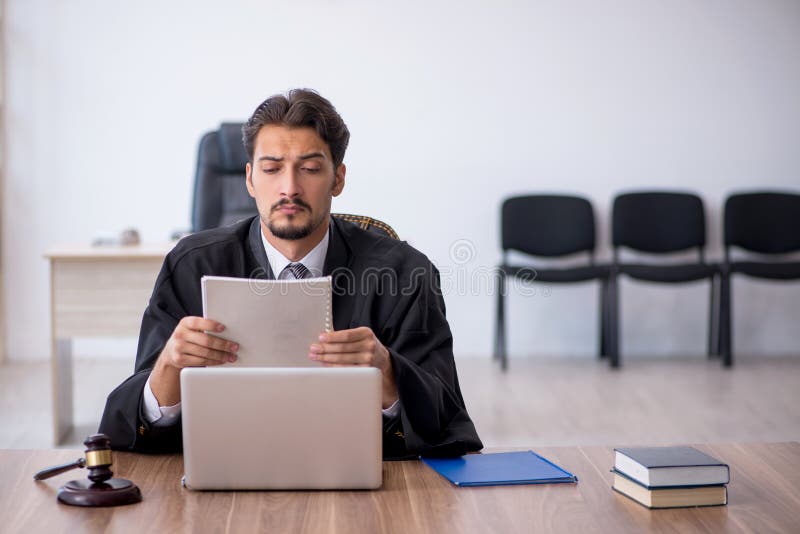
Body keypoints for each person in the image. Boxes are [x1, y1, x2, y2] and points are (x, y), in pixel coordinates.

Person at [99, 89, 483, 459]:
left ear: (338, 178)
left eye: (311, 168)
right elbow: (126, 424)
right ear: (249, 179)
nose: (290, 188)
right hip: (226, 473)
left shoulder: (405, 274)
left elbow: (447, 419)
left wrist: (388, 374)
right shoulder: (191, 264)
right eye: (272, 169)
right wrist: (169, 365)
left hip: (361, 485)